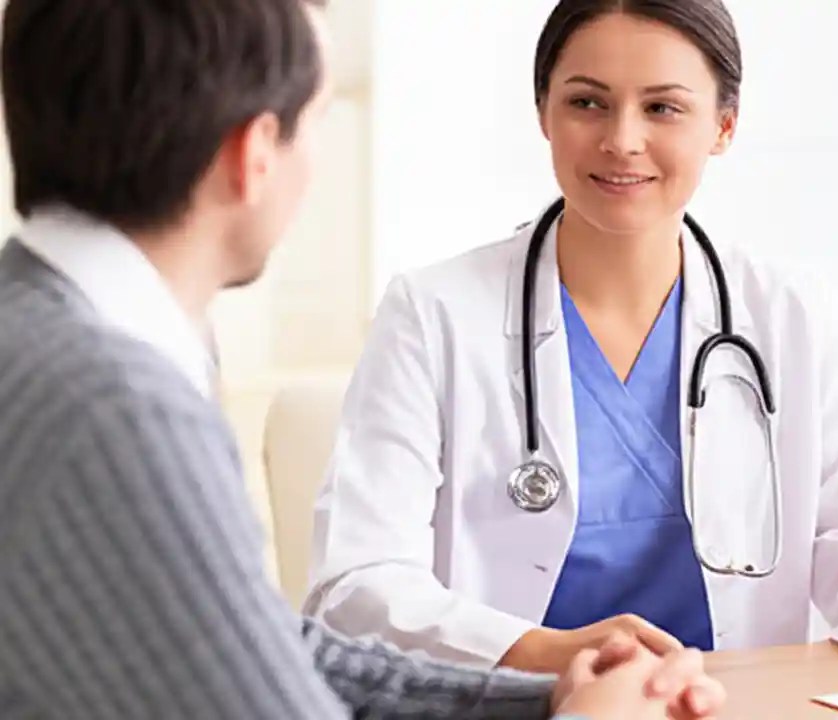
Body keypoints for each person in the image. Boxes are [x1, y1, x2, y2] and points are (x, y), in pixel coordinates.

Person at [0, 0, 726, 718]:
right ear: (253, 155)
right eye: (315, 123)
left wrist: (545, 697)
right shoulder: (116, 407)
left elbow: (266, 645)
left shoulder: (39, 333)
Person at [306, 0, 838, 692]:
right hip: (519, 708)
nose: (621, 139)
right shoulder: (433, 315)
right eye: (587, 102)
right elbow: (357, 584)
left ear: (724, 126)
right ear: (542, 113)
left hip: (730, 705)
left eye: (663, 108)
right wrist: (545, 654)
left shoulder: (790, 314)